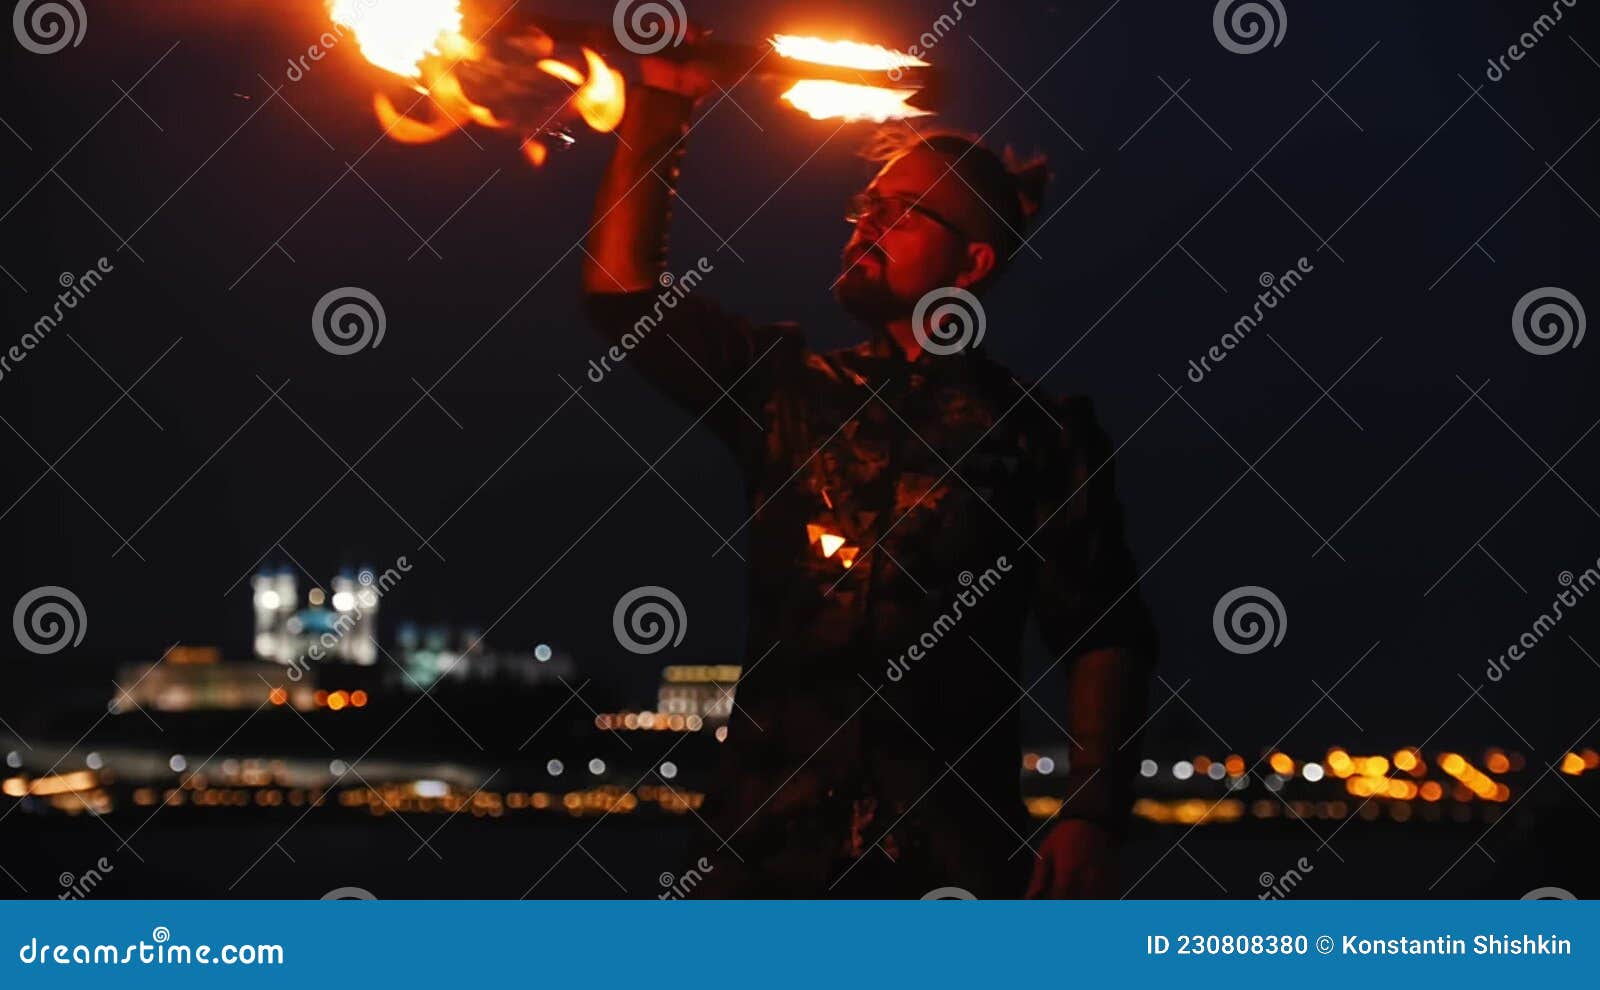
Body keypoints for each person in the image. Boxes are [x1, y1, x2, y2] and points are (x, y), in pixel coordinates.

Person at [583, 51, 1157, 898]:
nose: (865, 228)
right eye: (864, 208)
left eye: (902, 213)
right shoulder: (784, 392)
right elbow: (622, 295)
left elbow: (1102, 631)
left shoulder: (1042, 435)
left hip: (950, 861)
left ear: (971, 267)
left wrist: (1092, 812)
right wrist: (661, 110)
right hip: (762, 863)